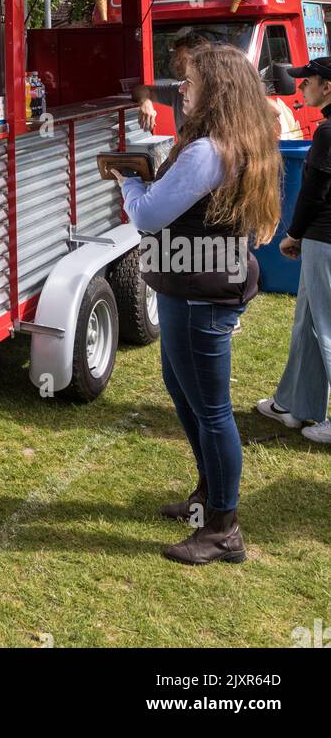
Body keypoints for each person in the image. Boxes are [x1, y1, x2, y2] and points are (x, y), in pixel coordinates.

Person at [113, 45, 282, 565]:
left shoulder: (209, 150)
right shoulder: (231, 140)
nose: (180, 90)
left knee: (210, 411)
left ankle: (223, 529)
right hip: (198, 284)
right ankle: (208, 499)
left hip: (200, 290)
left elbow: (147, 216)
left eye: (188, 83)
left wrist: (129, 181)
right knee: (187, 398)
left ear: (216, 90)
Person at [257, 56, 331, 444]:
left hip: (324, 237)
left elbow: (313, 192)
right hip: (321, 237)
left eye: (308, 82)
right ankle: (295, 405)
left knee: (327, 326)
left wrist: (294, 234)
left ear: (327, 87)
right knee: (307, 323)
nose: (301, 89)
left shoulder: (327, 132)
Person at [133, 31, 209, 135]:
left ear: (198, 60)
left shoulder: (218, 93)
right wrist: (145, 101)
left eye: (180, 59)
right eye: (174, 58)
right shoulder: (177, 90)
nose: (174, 63)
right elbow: (140, 89)